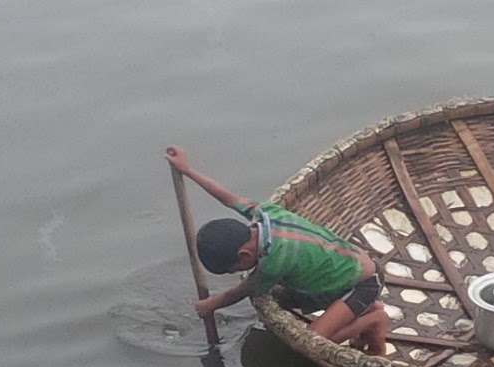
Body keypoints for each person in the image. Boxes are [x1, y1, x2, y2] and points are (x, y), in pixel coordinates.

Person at [165, 145, 389, 355]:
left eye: (235, 269)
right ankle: (362, 313)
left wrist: (209, 306)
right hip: (345, 269)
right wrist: (188, 171)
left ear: (244, 255)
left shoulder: (275, 259)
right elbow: (228, 198)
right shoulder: (265, 214)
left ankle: (374, 318)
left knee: (310, 342)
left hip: (363, 284)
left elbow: (241, 291)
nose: (238, 272)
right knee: (280, 294)